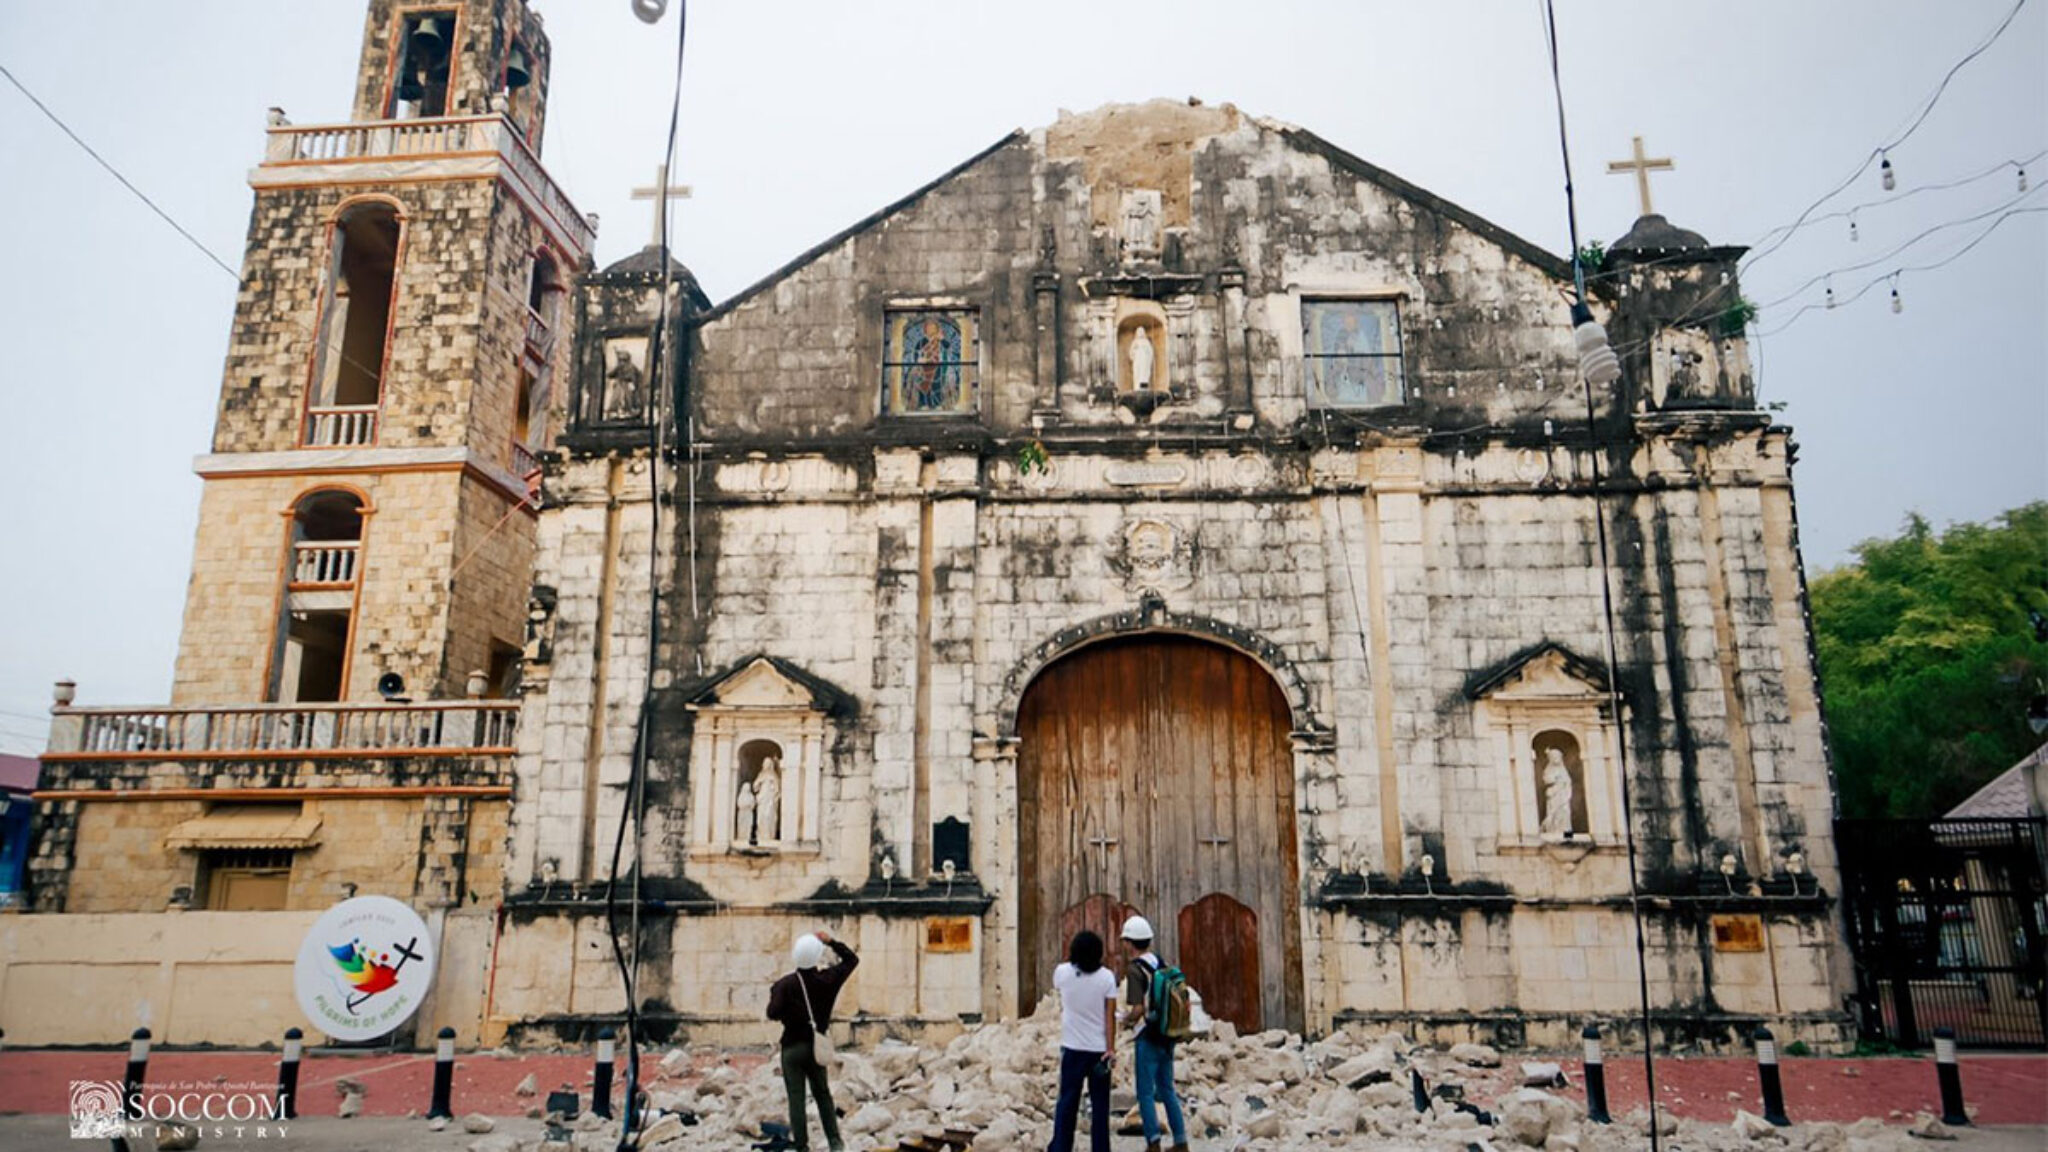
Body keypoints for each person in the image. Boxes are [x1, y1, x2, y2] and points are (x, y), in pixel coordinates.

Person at [766, 930, 859, 1152]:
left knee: (796, 1099)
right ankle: (835, 1142)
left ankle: (802, 1146)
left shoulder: (784, 985)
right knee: (823, 1095)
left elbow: (772, 1012)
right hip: (816, 1046)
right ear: (817, 956)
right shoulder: (828, 980)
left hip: (791, 1047)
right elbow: (852, 960)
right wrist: (831, 942)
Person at [1119, 915, 1188, 1152]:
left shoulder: (1135, 970)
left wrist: (1126, 1020)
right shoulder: (1160, 962)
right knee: (1167, 1089)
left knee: (1145, 1093)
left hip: (1147, 1036)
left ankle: (1153, 1142)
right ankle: (1181, 1141)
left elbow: (1138, 1008)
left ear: (1130, 943)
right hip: (1167, 1034)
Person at [1047, 930, 1117, 1152]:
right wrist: (1111, 1048)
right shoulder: (1107, 978)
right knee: (1100, 1107)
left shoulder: (1062, 973)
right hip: (1098, 1051)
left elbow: (1060, 989)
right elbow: (1109, 1016)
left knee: (1067, 1102)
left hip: (1072, 1048)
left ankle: (1061, 1147)